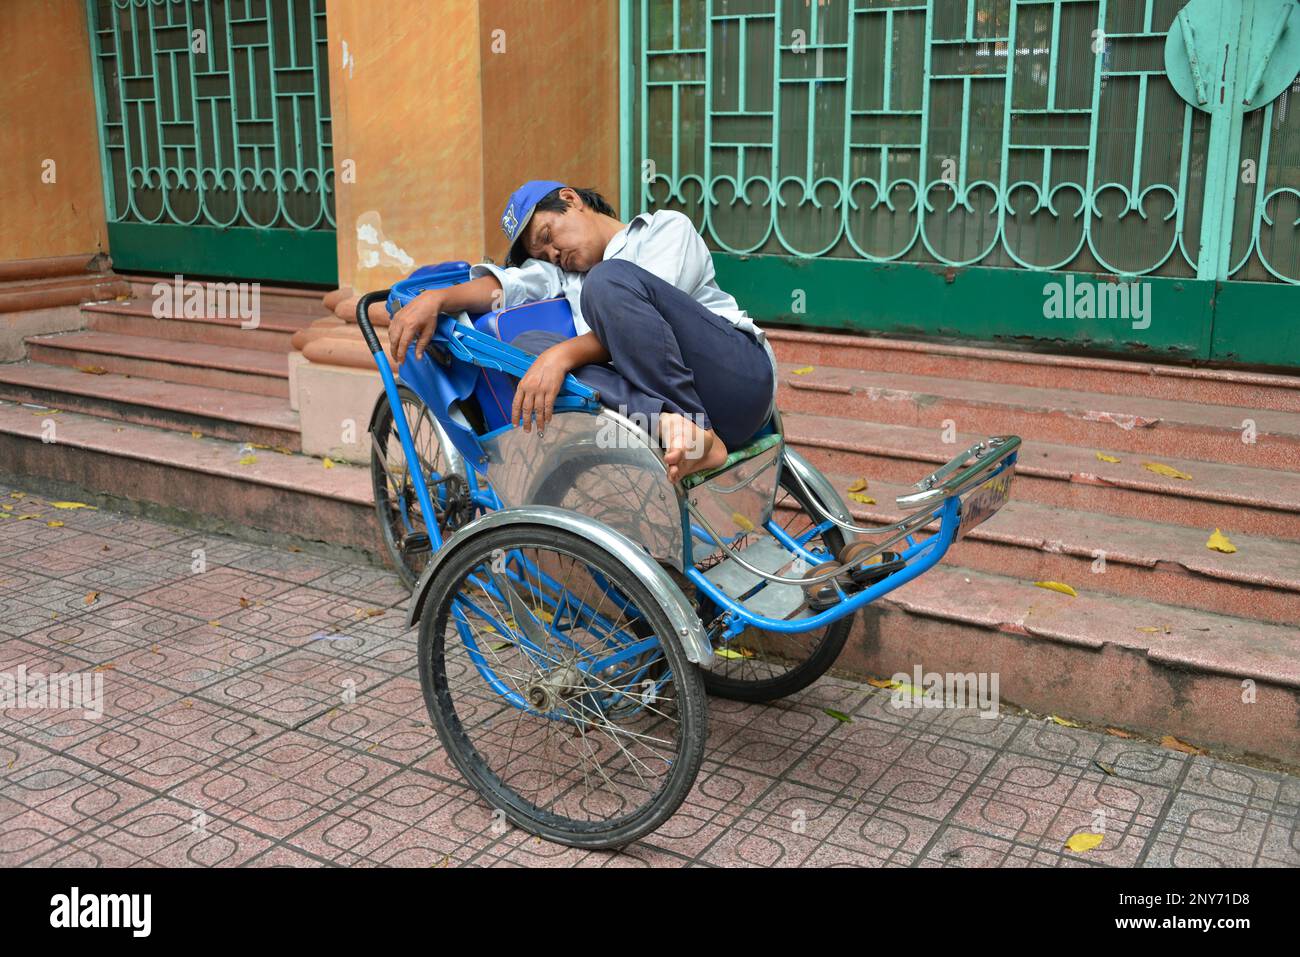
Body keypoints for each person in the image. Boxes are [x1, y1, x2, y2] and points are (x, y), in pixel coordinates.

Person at [386, 180, 779, 482]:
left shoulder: (663, 230)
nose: (553, 254)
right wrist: (436, 299)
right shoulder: (565, 274)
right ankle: (672, 425)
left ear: (571, 200)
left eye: (547, 236)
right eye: (542, 255)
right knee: (526, 348)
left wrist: (563, 355)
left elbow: (646, 326)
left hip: (734, 381)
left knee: (604, 287)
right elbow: (508, 287)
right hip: (667, 411)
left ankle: (691, 427)